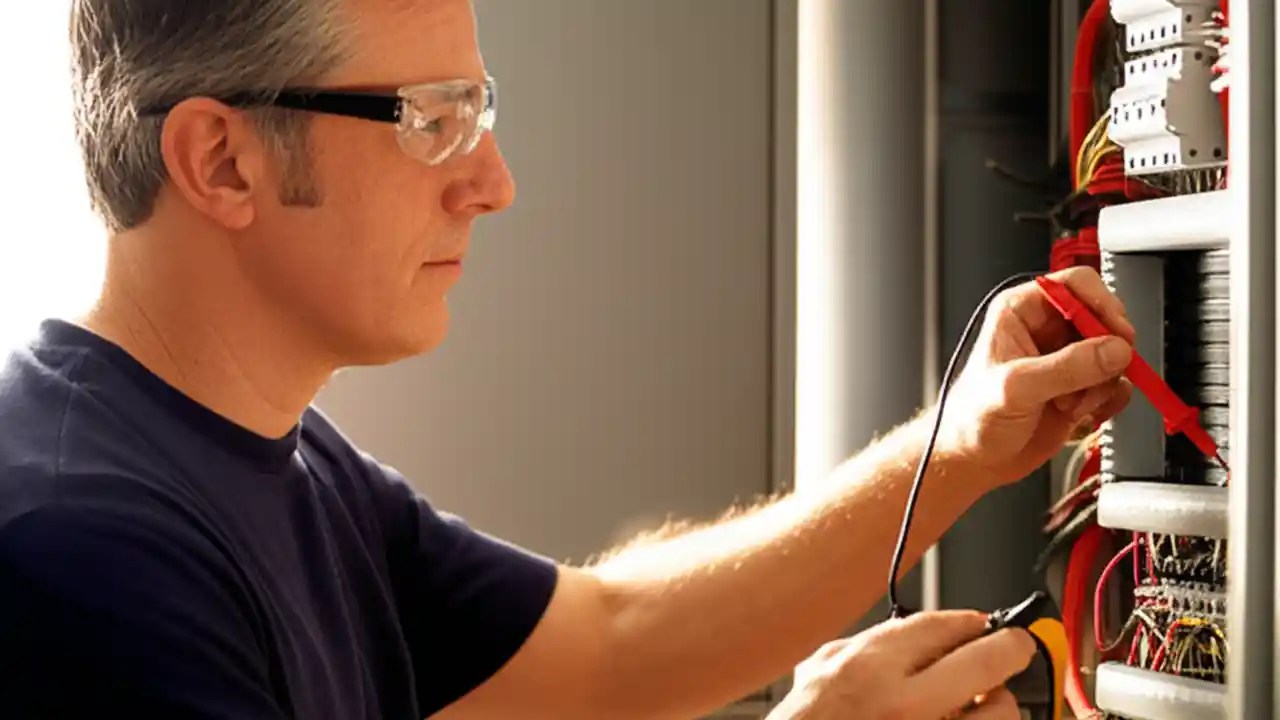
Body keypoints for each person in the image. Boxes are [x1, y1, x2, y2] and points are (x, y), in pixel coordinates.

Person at [0, 1, 1136, 718]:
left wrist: (954, 448)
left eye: (478, 108)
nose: (492, 182)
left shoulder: (281, 466)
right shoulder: (81, 561)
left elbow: (607, 649)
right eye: (427, 118)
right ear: (223, 161)